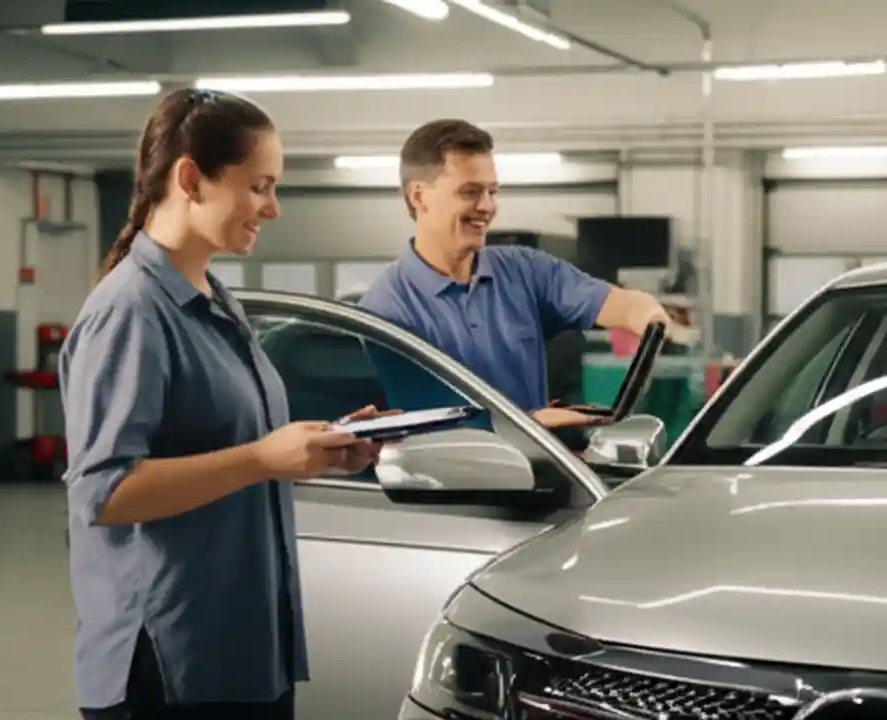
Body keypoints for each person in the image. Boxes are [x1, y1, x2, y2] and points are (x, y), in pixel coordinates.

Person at [59, 88, 382, 720]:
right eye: (259, 185)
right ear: (190, 178)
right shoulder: (131, 311)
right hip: (170, 665)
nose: (274, 207)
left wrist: (314, 448)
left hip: (240, 654)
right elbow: (104, 492)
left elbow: (232, 443)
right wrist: (263, 459)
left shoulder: (215, 298)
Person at [358, 118, 675, 430]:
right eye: (470, 192)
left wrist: (649, 317)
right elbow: (439, 430)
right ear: (418, 197)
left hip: (537, 473)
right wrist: (531, 425)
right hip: (448, 480)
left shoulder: (525, 270)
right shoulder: (386, 310)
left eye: (492, 192)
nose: (487, 206)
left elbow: (623, 305)